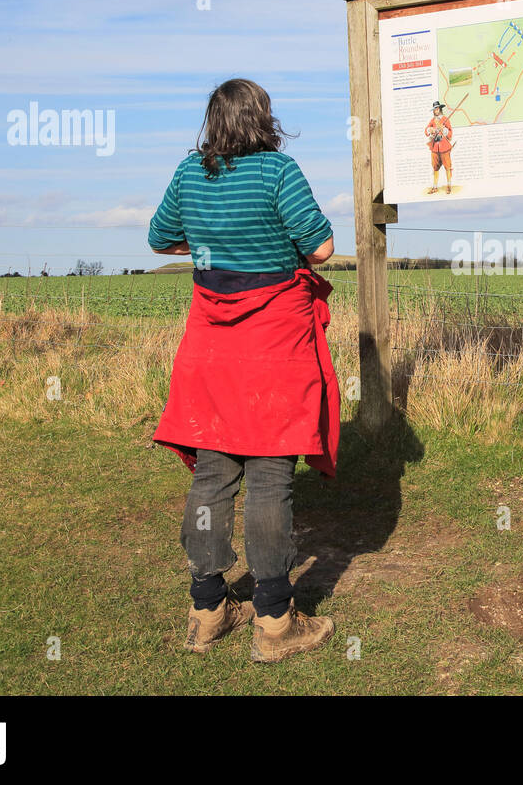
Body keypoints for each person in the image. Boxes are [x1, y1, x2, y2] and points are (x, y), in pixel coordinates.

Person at [148, 78, 340, 663]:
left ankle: (206, 612)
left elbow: (161, 240)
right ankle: (276, 624)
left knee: (212, 468)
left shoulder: (189, 175)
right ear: (262, 118)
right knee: (269, 474)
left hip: (212, 337)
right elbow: (323, 249)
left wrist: (210, 248)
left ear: (213, 122)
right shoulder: (279, 172)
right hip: (274, 336)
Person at [425, 100, 455, 194]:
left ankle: (449, 186)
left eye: (437, 109)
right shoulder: (432, 120)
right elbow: (426, 131)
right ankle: (435, 187)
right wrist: (431, 130)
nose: (436, 111)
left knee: (447, 167)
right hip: (435, 147)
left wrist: (444, 129)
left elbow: (450, 134)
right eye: (434, 109)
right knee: (435, 168)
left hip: (444, 147)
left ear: (440, 109)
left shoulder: (445, 119)